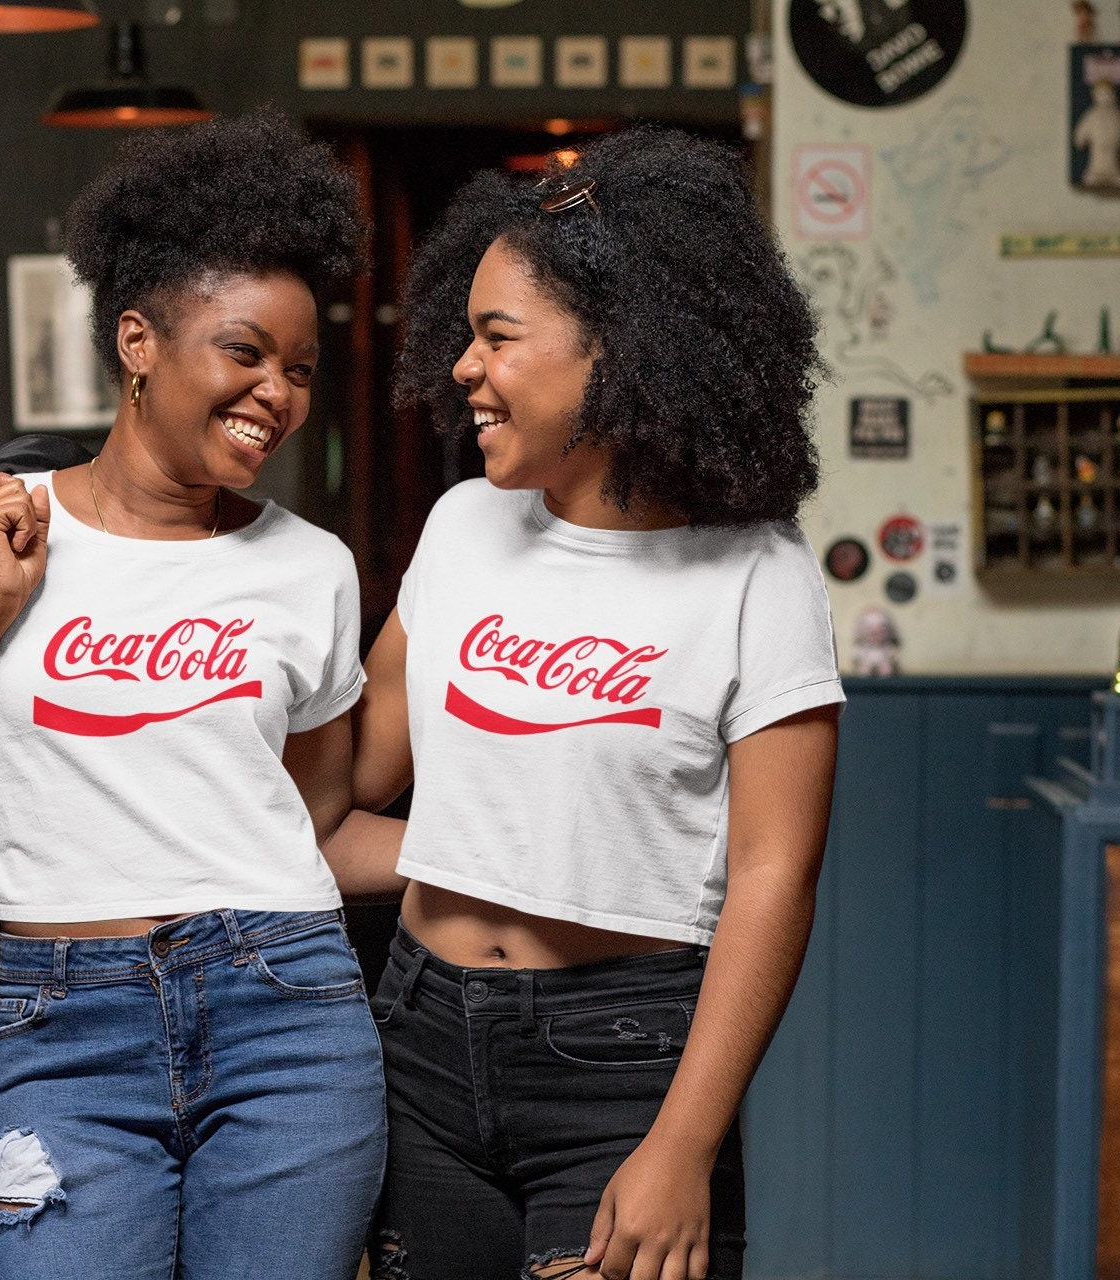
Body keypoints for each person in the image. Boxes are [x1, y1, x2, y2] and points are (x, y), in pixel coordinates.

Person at [334, 126, 843, 1280]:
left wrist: (684, 1142)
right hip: (417, 1038)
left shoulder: (757, 572)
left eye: (497, 336)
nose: (463, 367)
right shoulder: (464, 526)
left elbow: (774, 875)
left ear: (617, 347)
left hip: (626, 1064)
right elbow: (346, 787)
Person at [0, 109, 382, 1279]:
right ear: (138, 342)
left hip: (288, 1010)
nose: (276, 393)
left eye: (299, 368)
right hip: (62, 1025)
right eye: (244, 352)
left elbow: (313, 809)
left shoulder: (311, 566)